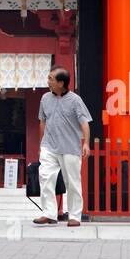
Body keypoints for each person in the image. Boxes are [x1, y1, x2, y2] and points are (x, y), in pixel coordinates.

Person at [34, 67, 91, 226]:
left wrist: (86, 143)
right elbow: (42, 122)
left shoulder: (75, 100)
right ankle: (49, 213)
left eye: (51, 78)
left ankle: (74, 216)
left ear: (61, 83)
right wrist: (41, 144)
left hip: (70, 147)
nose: (48, 81)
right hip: (49, 146)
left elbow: (84, 123)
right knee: (45, 177)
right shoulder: (45, 98)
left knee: (72, 182)